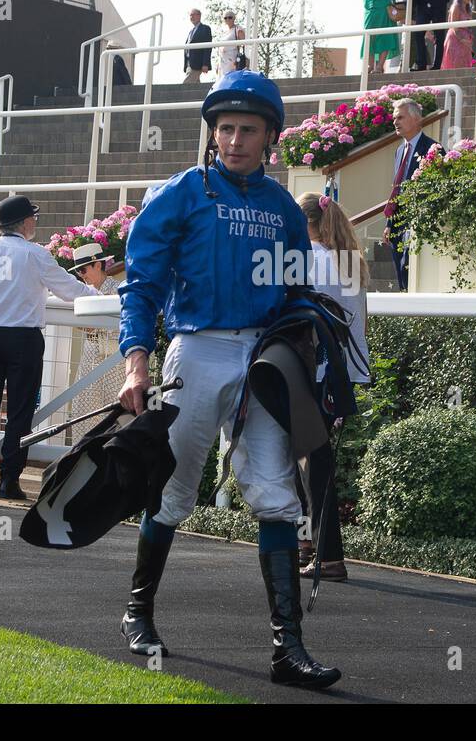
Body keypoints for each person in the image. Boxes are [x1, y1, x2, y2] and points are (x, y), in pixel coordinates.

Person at [115, 70, 341, 690]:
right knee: (175, 490)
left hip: (264, 361)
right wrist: (137, 360)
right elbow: (142, 286)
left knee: (275, 495)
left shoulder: (282, 210)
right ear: (213, 134)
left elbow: (297, 294)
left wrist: (316, 372)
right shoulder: (179, 194)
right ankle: (138, 611)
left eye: (248, 129)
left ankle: (288, 649)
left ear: (271, 136)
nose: (235, 140)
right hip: (196, 353)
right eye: (225, 129)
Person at [0, 195, 88, 500]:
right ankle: (8, 481)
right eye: (34, 219)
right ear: (26, 223)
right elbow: (69, 290)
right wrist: (98, 295)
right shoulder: (34, 254)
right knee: (19, 412)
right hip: (23, 338)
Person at [295, 192, 370, 583]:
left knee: (313, 463)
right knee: (309, 460)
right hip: (338, 375)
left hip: (316, 372)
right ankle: (309, 547)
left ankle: (326, 556)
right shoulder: (346, 261)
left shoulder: (310, 259)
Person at [67, 241, 127, 441]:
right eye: (78, 272)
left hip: (116, 359)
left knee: (117, 411)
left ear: (98, 265)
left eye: (83, 269)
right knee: (83, 411)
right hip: (92, 353)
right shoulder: (82, 293)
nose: (81, 275)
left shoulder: (119, 289)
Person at [385, 97, 436, 290]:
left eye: (400, 117)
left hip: (418, 221)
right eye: (394, 118)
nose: (395, 122)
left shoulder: (432, 149)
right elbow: (396, 188)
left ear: (416, 119)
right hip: (398, 221)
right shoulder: (399, 150)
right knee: (399, 270)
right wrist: (390, 223)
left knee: (410, 268)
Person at [441, 0, 476, 70]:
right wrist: (462, 39)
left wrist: (469, 39)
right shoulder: (456, 7)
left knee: (464, 65)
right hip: (455, 39)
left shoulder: (468, 10)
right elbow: (454, 26)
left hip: (465, 42)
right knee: (454, 65)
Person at [182, 8, 212, 84]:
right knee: (196, 87)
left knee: (186, 85)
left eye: (193, 15)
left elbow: (207, 47)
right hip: (189, 63)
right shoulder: (191, 31)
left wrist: (205, 64)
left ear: (199, 16)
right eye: (190, 15)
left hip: (197, 63)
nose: (191, 17)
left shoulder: (205, 28)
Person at [217, 10, 247, 77]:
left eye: (230, 17)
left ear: (234, 18)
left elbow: (245, 44)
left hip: (232, 59)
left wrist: (242, 59)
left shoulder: (238, 29)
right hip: (222, 61)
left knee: (231, 77)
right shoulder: (224, 32)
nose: (227, 19)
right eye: (225, 18)